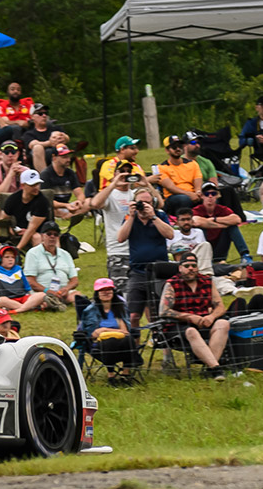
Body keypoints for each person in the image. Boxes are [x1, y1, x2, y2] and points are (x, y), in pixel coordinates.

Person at [158, 251, 230, 379]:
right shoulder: (172, 284)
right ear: (180, 268)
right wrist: (190, 317)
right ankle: (215, 369)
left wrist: (211, 317)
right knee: (191, 331)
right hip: (179, 325)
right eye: (186, 266)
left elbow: (220, 306)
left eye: (193, 265)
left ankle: (210, 367)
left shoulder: (207, 281)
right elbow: (163, 311)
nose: (190, 269)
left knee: (223, 323)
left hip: (204, 321)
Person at [117, 187, 173, 331]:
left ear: (153, 203)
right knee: (133, 315)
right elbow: (120, 238)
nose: (144, 206)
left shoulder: (160, 216)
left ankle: (159, 341)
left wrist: (153, 217)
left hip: (158, 271)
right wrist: (131, 216)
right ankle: (134, 345)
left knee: (157, 314)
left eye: (147, 203)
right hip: (137, 272)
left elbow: (170, 234)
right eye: (140, 203)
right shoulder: (130, 218)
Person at [90, 158, 146, 293]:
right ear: (115, 173)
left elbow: (160, 205)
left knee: (140, 294)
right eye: (122, 171)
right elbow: (95, 204)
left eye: (128, 172)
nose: (126, 174)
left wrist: (146, 184)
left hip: (137, 251)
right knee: (121, 294)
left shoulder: (136, 194)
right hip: (118, 252)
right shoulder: (110, 194)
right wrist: (114, 183)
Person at [78, 277, 140, 384]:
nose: (106, 292)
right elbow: (93, 334)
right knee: (109, 342)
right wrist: (112, 331)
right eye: (102, 290)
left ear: (113, 292)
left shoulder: (120, 307)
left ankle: (125, 374)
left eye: (109, 289)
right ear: (97, 293)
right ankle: (111, 375)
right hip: (98, 345)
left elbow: (125, 331)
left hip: (121, 342)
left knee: (129, 339)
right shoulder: (90, 310)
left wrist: (104, 329)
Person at [23, 221, 80, 309]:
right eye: (49, 234)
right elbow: (30, 281)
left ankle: (56, 303)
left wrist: (67, 289)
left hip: (63, 293)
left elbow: (75, 280)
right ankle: (49, 303)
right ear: (42, 236)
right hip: (42, 292)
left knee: (77, 296)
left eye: (55, 234)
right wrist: (47, 291)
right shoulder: (33, 253)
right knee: (41, 298)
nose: (52, 237)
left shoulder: (65, 254)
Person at [192, 181, 251, 264]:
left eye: (213, 193)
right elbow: (196, 222)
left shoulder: (222, 209)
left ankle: (245, 255)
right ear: (202, 196)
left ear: (217, 196)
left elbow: (237, 219)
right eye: (206, 194)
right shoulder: (197, 209)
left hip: (220, 248)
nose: (210, 196)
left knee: (232, 227)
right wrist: (223, 225)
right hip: (204, 249)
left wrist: (214, 219)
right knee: (201, 229)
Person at [152, 134, 202, 215]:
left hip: (193, 193)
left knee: (211, 196)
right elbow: (170, 187)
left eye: (180, 146)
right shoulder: (161, 167)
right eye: (174, 147)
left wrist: (198, 192)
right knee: (184, 199)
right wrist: (189, 194)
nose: (178, 149)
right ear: (167, 150)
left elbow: (198, 179)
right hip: (173, 197)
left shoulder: (192, 163)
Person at [2, 169, 51, 250]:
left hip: (41, 232)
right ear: (23, 185)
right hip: (20, 230)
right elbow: (4, 219)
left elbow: (32, 229)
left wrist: (17, 249)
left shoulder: (42, 202)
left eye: (37, 184)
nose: (36, 187)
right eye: (32, 185)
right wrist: (11, 228)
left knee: (36, 237)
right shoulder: (13, 199)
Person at [0, 245, 45, 313]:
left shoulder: (18, 269)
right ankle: (29, 307)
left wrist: (35, 298)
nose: (10, 259)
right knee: (1, 300)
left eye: (13, 257)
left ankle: (17, 310)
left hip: (22, 297)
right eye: (7, 257)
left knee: (42, 295)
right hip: (7, 299)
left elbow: (27, 288)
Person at [40, 144, 86, 222]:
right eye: (64, 157)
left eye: (68, 156)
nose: (68, 159)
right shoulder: (46, 174)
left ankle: (69, 215)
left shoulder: (70, 173)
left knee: (88, 203)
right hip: (54, 207)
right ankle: (68, 215)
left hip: (67, 206)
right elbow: (46, 201)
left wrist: (79, 202)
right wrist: (66, 206)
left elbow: (79, 193)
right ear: (54, 158)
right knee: (47, 209)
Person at [18, 105, 64, 170]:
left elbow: (66, 138)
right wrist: (50, 143)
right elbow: (32, 144)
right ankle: (44, 177)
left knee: (58, 137)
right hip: (38, 162)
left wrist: (62, 137)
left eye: (46, 113)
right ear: (32, 116)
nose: (44, 116)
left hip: (58, 159)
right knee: (37, 147)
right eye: (40, 113)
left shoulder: (55, 128)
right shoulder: (28, 134)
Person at [238, 95, 263, 174]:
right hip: (261, 153)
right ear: (257, 107)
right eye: (262, 105)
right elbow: (241, 141)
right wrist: (254, 139)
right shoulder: (251, 123)